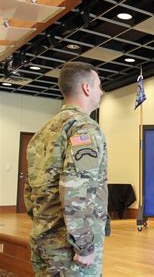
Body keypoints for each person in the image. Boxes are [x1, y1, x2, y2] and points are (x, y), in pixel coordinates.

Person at [24, 62, 108, 275]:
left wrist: (43, 226)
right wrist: (84, 244)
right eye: (98, 85)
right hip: (68, 251)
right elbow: (76, 189)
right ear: (86, 88)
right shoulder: (84, 128)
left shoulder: (43, 132)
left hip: (43, 240)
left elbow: (30, 190)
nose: (102, 91)